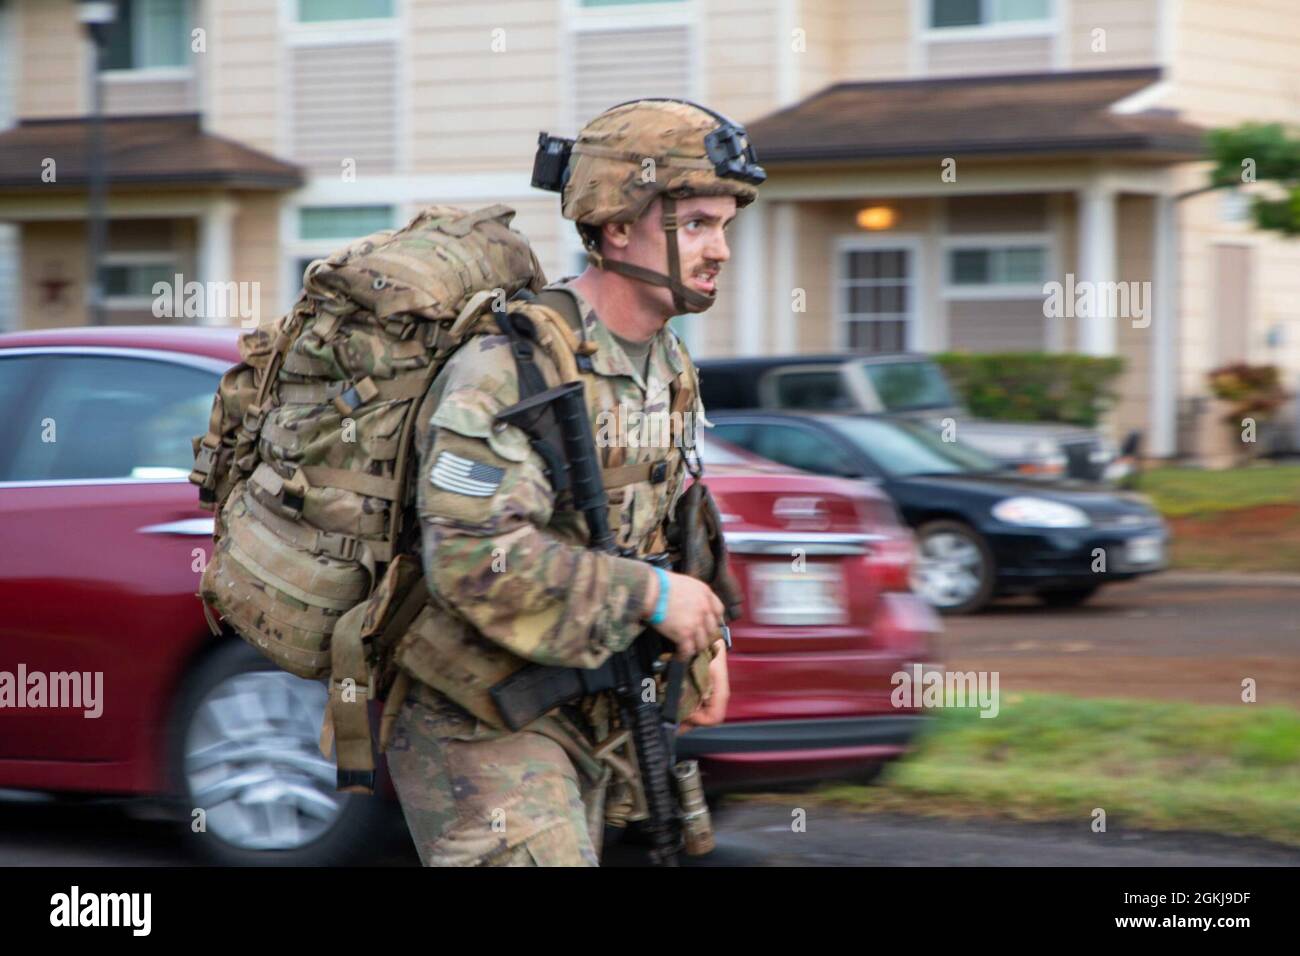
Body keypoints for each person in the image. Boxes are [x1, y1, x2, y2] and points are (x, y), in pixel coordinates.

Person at [383, 98, 765, 866]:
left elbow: (668, 511)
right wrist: (649, 598)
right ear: (617, 225)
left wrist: (704, 639)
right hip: (478, 715)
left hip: (589, 708)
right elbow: (470, 556)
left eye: (723, 225)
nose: (719, 249)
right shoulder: (508, 370)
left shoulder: (667, 364)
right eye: (693, 224)